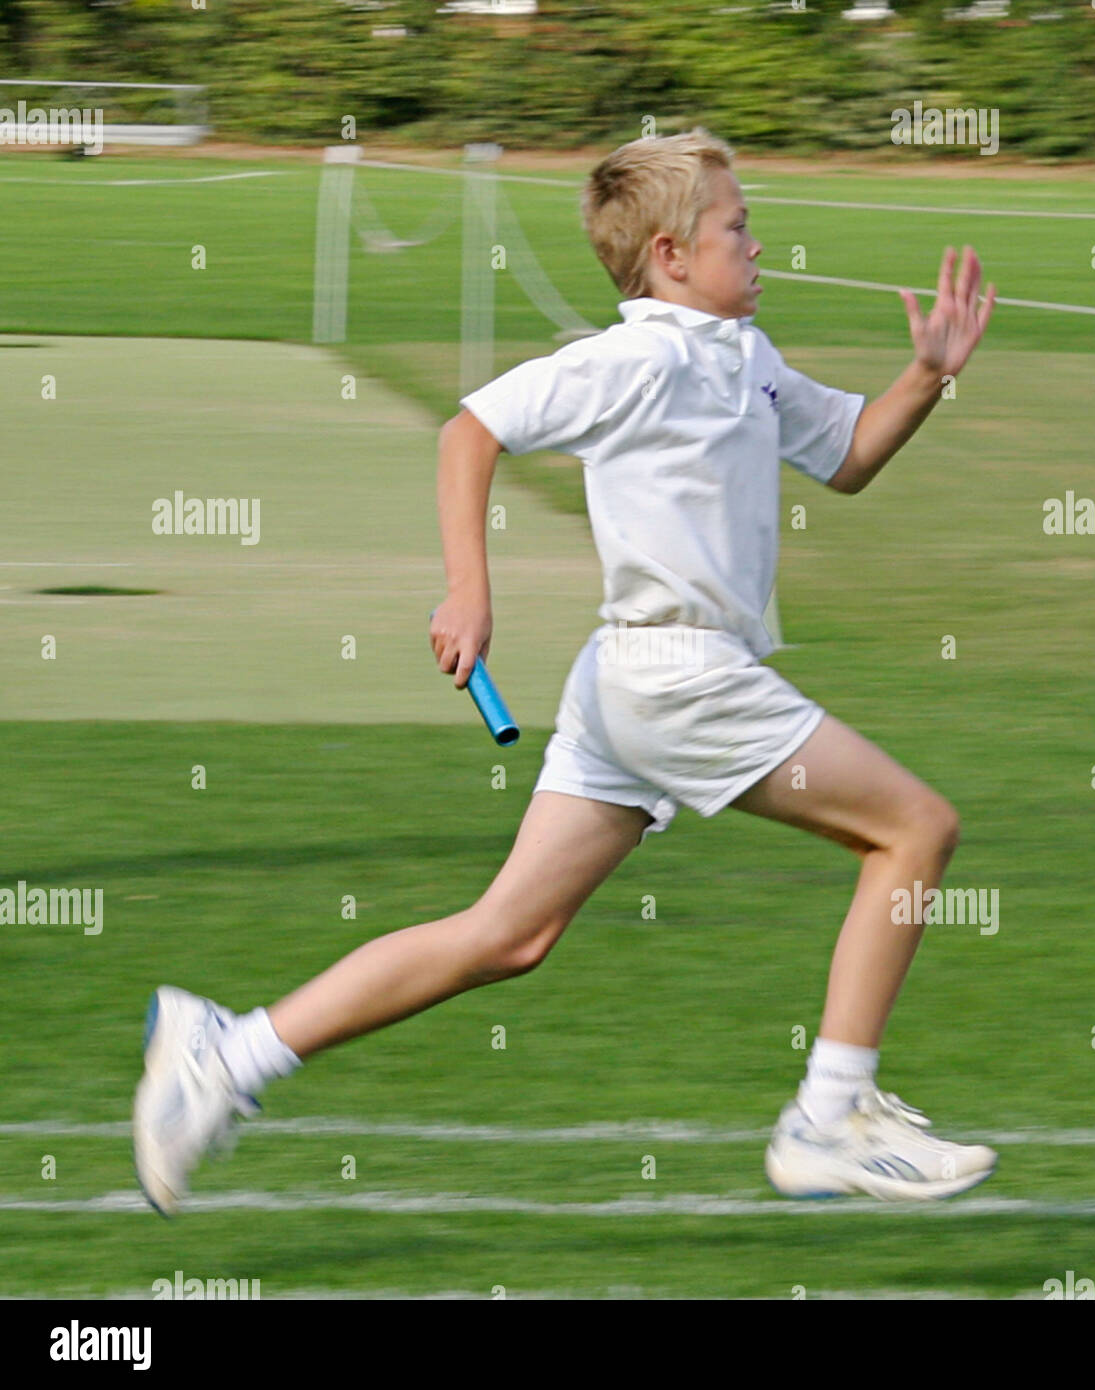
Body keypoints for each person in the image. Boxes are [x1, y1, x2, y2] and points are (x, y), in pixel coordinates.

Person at [133, 127, 997, 1215]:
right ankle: (830, 1114)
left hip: (629, 686)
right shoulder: (632, 360)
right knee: (914, 830)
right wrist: (468, 591)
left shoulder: (746, 359)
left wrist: (925, 375)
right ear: (673, 257)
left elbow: (852, 455)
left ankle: (228, 1052)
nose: (758, 241)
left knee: (509, 935)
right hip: (678, 679)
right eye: (738, 227)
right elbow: (470, 431)